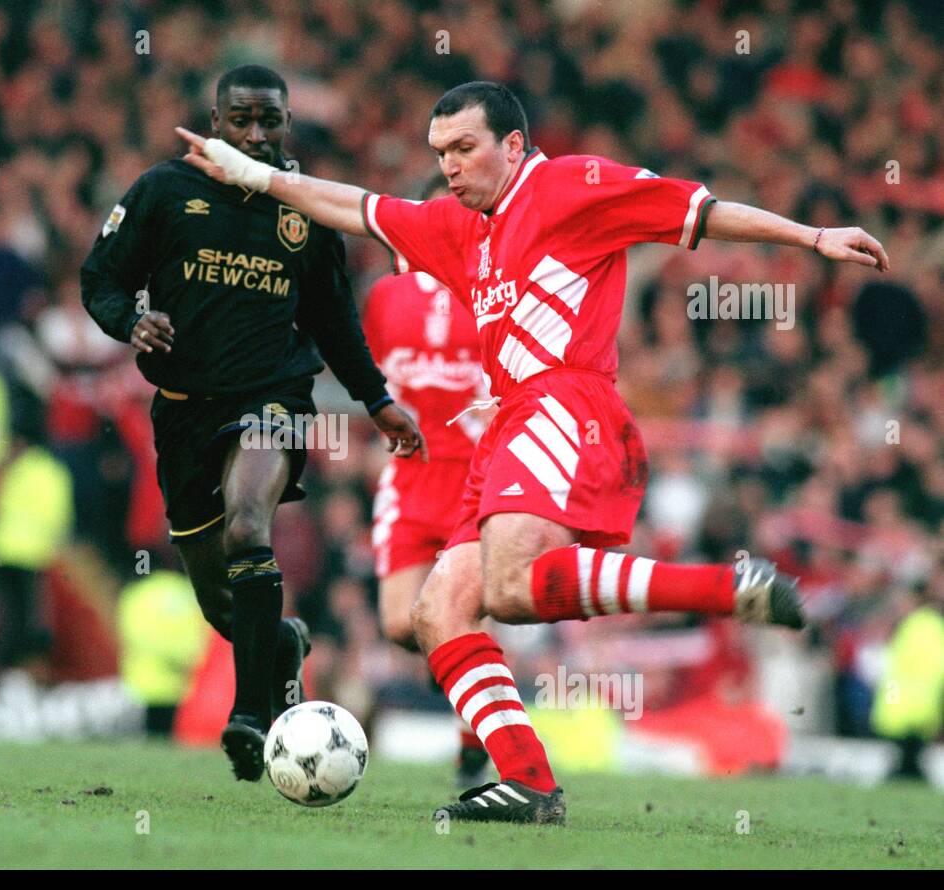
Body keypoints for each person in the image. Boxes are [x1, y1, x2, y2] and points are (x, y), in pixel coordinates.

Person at [176, 80, 890, 822]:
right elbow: (356, 207)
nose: (449, 167)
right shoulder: (457, 229)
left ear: (513, 145)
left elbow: (699, 211)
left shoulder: (570, 184)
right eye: (439, 153)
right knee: (439, 611)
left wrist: (811, 237)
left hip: (568, 405)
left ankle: (720, 589)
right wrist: (256, 175)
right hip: (512, 420)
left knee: (510, 587)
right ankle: (528, 781)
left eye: (464, 149)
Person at [82, 64, 424, 781]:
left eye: (271, 121)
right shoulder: (165, 191)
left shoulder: (303, 208)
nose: (258, 135)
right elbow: (101, 278)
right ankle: (282, 649)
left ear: (287, 124)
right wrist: (132, 321)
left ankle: (252, 715)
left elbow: (333, 321)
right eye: (243, 120)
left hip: (272, 400)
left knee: (248, 527)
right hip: (182, 414)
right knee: (220, 603)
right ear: (216, 123)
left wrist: (376, 399)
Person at [363, 173, 493, 789]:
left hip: (475, 484)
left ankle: (478, 734)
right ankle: (477, 676)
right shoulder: (386, 297)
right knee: (399, 624)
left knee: (455, 612)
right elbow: (371, 378)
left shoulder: (493, 292)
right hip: (409, 479)